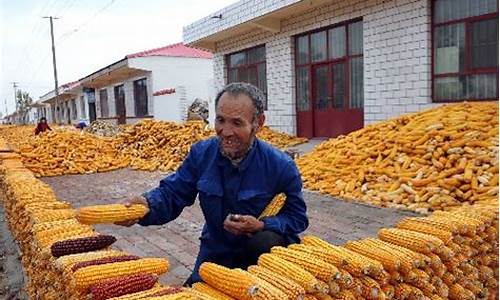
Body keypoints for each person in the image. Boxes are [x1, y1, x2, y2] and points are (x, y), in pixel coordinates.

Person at [117, 82, 308, 286]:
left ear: (258, 123)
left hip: (260, 255)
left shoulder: (282, 166)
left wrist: (262, 225)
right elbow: (173, 193)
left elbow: (297, 218)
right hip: (216, 250)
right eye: (220, 120)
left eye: (237, 123)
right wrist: (146, 205)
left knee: (264, 240)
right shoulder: (201, 154)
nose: (226, 132)